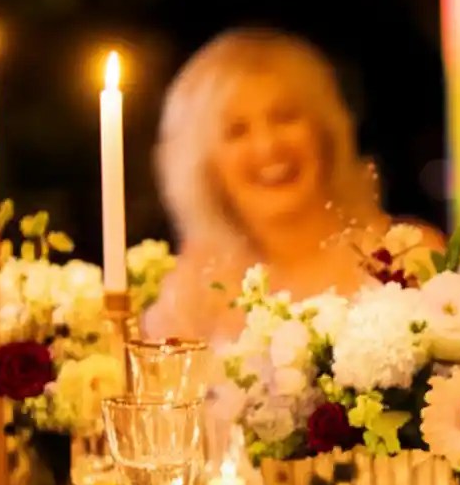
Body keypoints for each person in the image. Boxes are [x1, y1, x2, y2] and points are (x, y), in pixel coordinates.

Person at [144, 29, 440, 344]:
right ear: (205, 167)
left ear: (323, 133)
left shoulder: (411, 259)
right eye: (236, 131)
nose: (267, 146)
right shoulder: (190, 297)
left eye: (285, 117)